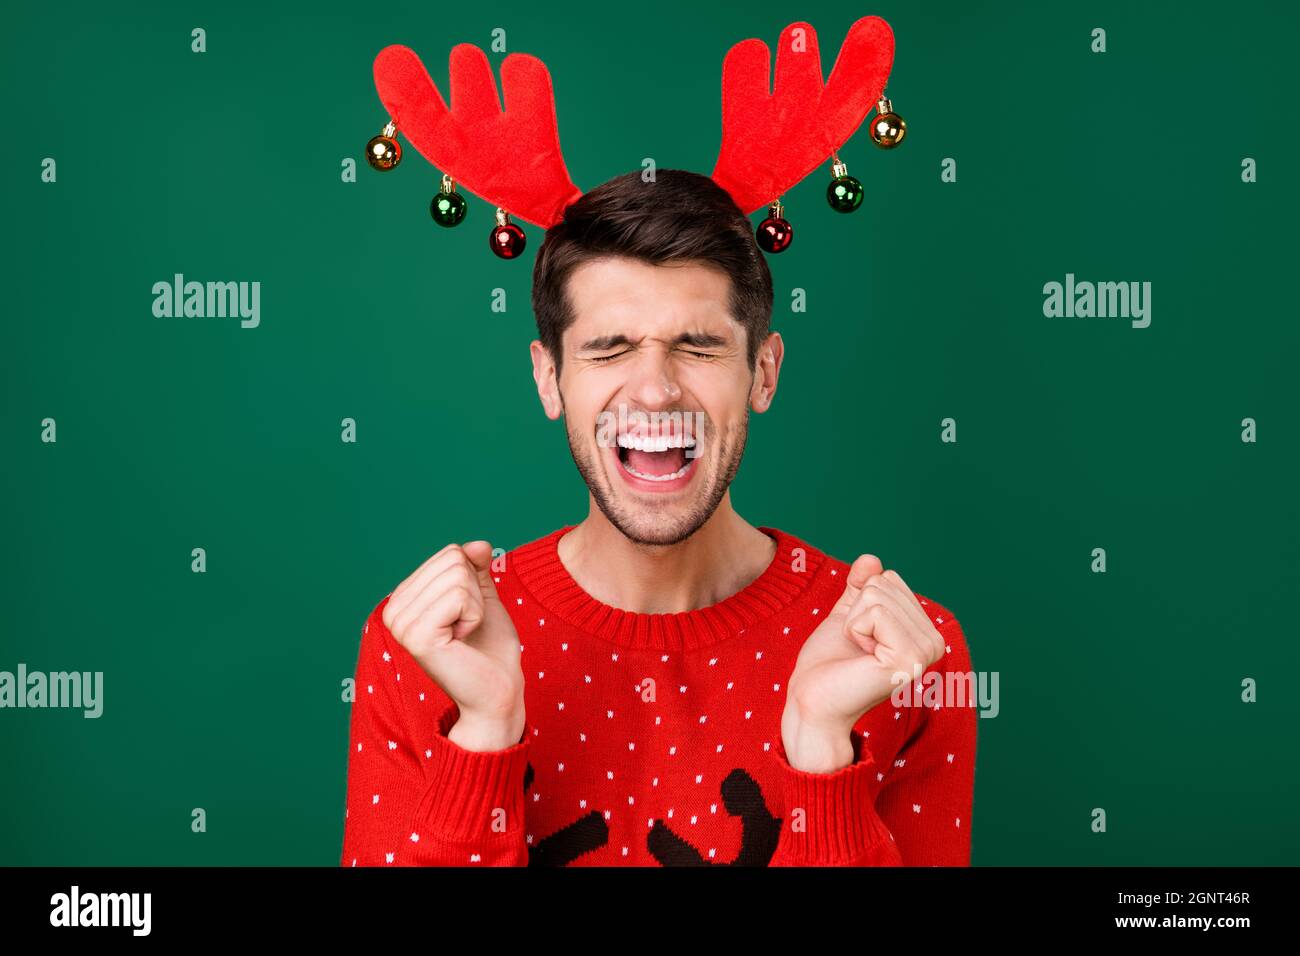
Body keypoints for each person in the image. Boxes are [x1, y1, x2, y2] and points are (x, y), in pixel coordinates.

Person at [341, 169, 976, 866]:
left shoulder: (900, 655)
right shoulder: (425, 650)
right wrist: (484, 732)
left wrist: (824, 752)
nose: (654, 391)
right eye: (609, 349)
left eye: (698, 347)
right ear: (549, 378)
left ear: (763, 373)